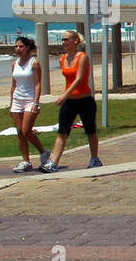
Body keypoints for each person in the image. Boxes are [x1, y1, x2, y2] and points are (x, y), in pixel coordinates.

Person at [42, 30, 102, 171]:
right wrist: (67, 96)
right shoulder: (62, 59)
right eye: (62, 40)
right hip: (70, 102)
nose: (64, 42)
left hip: (85, 100)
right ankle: (53, 162)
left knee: (90, 131)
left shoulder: (82, 57)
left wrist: (64, 95)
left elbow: (79, 78)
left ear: (75, 41)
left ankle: (95, 159)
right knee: (62, 131)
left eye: (66, 39)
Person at [8, 35, 48, 173]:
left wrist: (36, 102)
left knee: (26, 131)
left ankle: (43, 152)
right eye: (16, 46)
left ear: (28, 48)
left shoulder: (34, 63)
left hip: (30, 100)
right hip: (17, 100)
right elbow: (14, 85)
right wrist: (11, 102)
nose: (18, 49)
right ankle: (26, 161)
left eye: (21, 46)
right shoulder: (15, 64)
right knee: (20, 133)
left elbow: (37, 84)